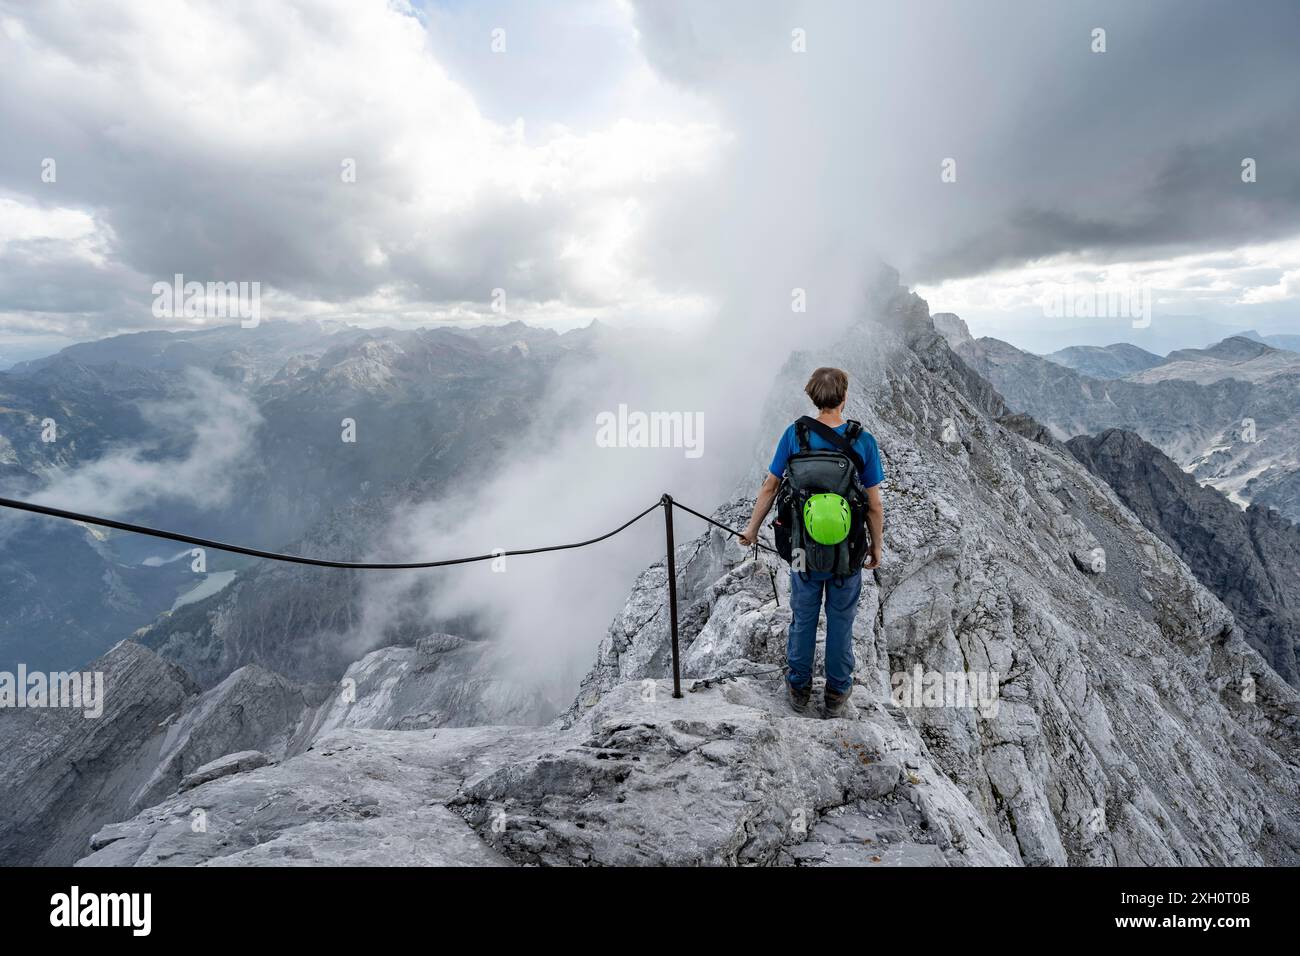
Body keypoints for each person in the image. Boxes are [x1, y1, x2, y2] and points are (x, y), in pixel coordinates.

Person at [739, 367, 884, 717]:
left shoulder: (795, 435)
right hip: (847, 552)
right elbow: (874, 504)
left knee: (803, 618)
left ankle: (799, 687)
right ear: (844, 397)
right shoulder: (862, 441)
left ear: (812, 397)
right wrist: (876, 547)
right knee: (841, 620)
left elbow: (770, 487)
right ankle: (836, 693)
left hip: (803, 550)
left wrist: (753, 529)